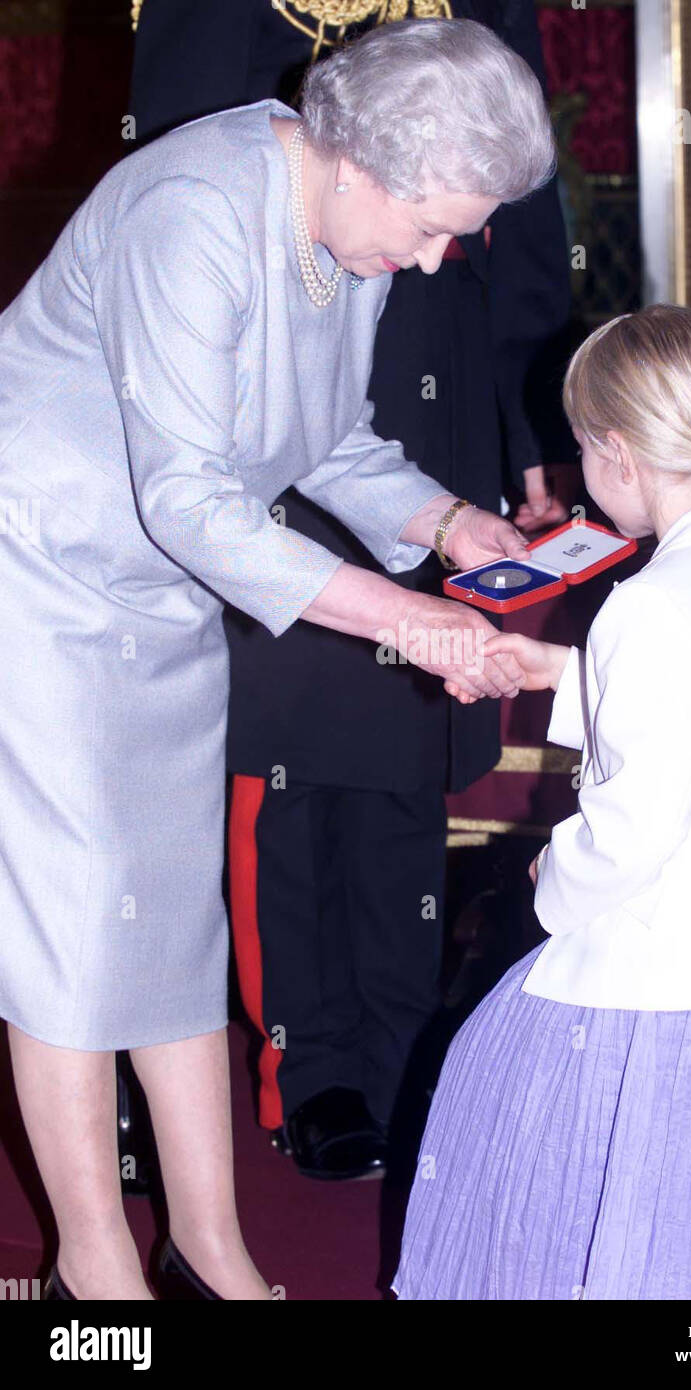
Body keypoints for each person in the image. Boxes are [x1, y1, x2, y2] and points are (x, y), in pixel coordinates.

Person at [0, 18, 559, 1300]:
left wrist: (448, 522)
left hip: (161, 592)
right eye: (427, 225)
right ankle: (98, 1283)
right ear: (359, 159)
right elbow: (194, 501)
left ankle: (213, 1255)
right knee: (73, 933)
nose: (426, 264)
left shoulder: (346, 230)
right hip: (42, 571)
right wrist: (411, 619)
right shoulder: (197, 212)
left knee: (173, 932)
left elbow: (321, 441)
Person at [129, 0, 576, 1180]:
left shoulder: (416, 233)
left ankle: (397, 1049)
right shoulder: (213, 198)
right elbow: (183, 158)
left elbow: (512, 216)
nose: (444, 243)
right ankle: (311, 1063)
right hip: (230, 379)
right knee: (284, 758)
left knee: (407, 753)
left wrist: (500, 445)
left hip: (408, 373)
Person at [393, 303, 691, 1300]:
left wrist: (546, 875)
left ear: (615, 452)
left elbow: (630, 830)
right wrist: (556, 669)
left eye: (575, 449)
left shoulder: (645, 604)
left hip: (670, 975)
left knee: (502, 1105)